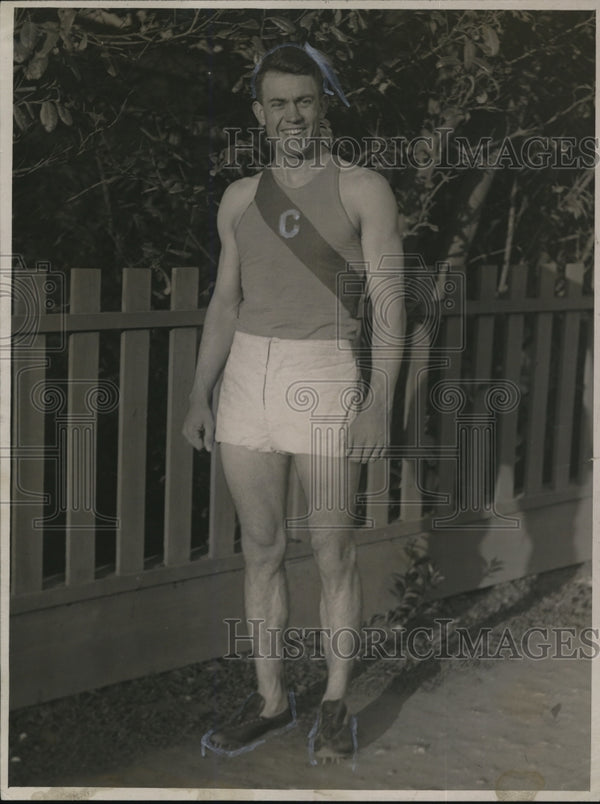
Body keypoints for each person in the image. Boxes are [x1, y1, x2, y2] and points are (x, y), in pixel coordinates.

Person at [183, 43, 405, 762]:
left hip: (327, 375)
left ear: (322, 104)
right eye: (277, 103)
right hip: (249, 375)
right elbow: (223, 304)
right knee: (263, 551)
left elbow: (390, 304)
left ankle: (336, 701)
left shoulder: (361, 188)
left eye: (304, 100)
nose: (292, 115)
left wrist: (378, 402)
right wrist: (200, 393)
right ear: (259, 114)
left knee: (333, 548)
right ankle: (273, 702)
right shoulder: (241, 198)